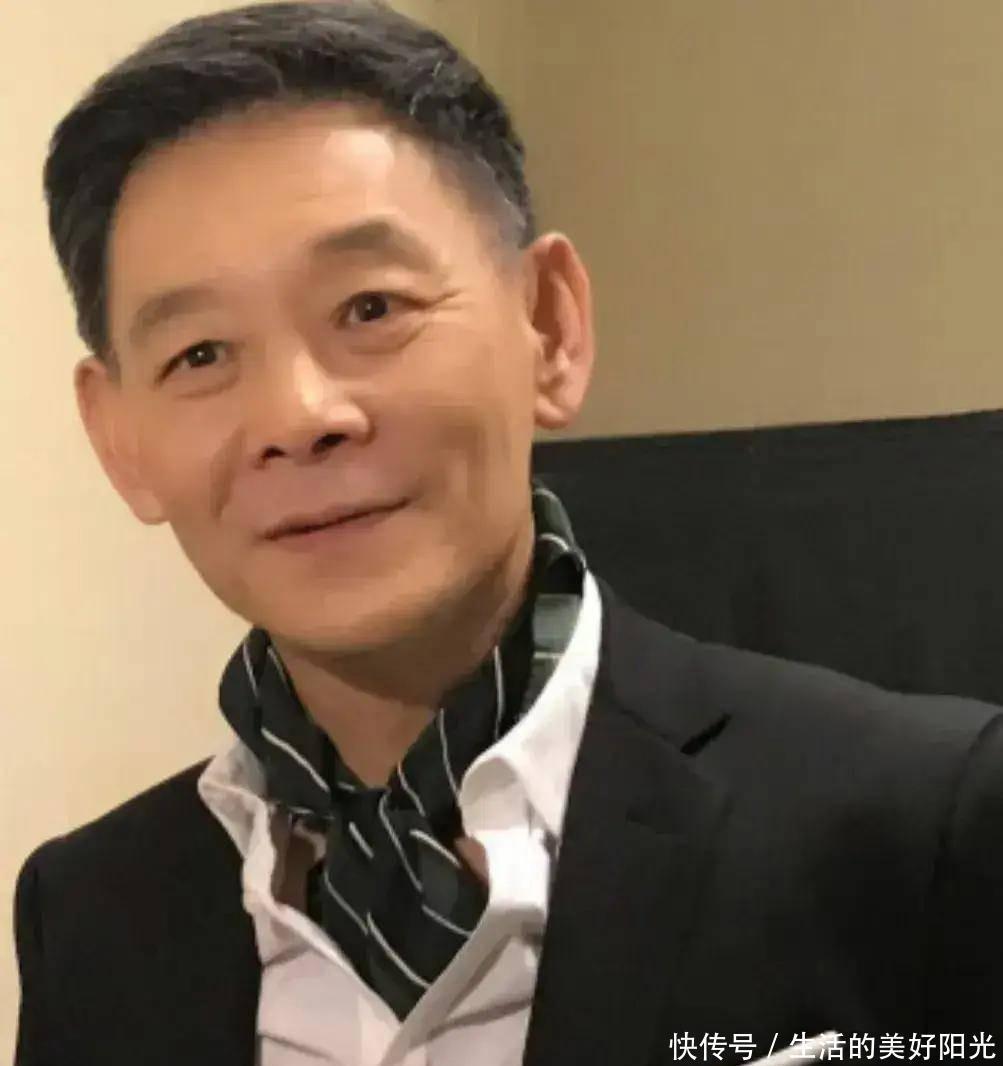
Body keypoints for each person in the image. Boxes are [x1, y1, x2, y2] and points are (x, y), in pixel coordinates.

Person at [14, 3, 1003, 1064]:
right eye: (200, 355)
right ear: (119, 438)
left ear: (549, 327)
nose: (297, 416)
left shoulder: (926, 824)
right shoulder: (90, 911)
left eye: (370, 308)